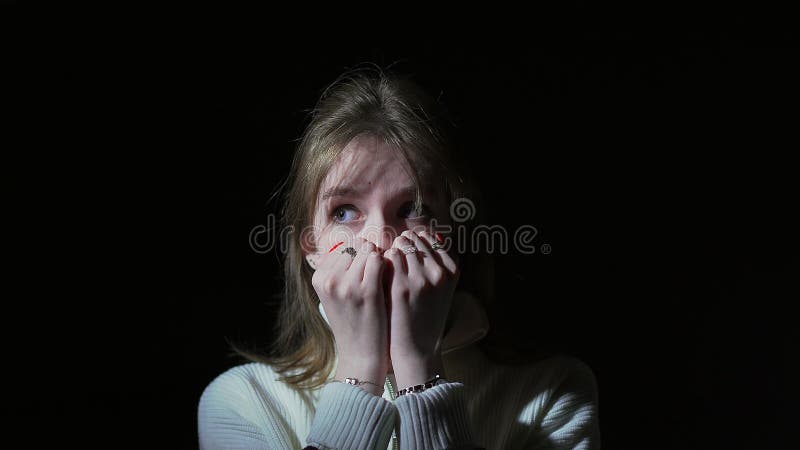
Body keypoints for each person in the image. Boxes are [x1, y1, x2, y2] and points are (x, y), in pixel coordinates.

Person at [198, 67, 601, 450]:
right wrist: (359, 371)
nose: (381, 239)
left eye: (413, 207)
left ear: (453, 236)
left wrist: (420, 369)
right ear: (311, 247)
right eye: (344, 211)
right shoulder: (244, 401)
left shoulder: (553, 393)